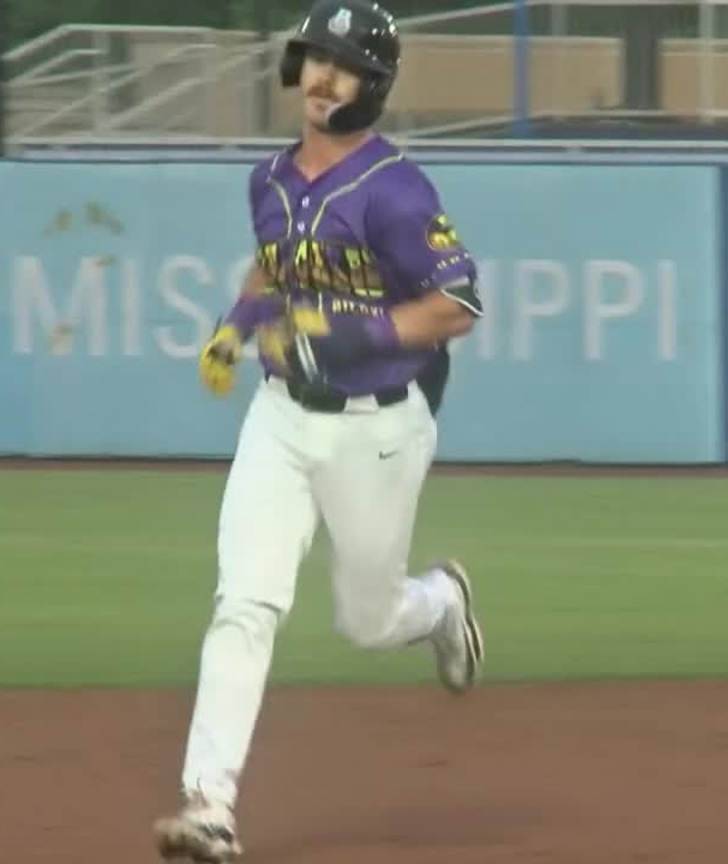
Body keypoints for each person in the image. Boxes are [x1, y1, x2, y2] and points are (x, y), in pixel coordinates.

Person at [151, 2, 485, 861]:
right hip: (281, 417)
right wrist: (235, 324)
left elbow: (458, 306)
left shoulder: (397, 189)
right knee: (245, 601)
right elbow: (278, 262)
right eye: (314, 59)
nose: (323, 78)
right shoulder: (266, 178)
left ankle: (443, 602)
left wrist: (350, 333)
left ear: (373, 87)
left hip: (376, 428)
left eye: (344, 66)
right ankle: (208, 806)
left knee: (369, 623)